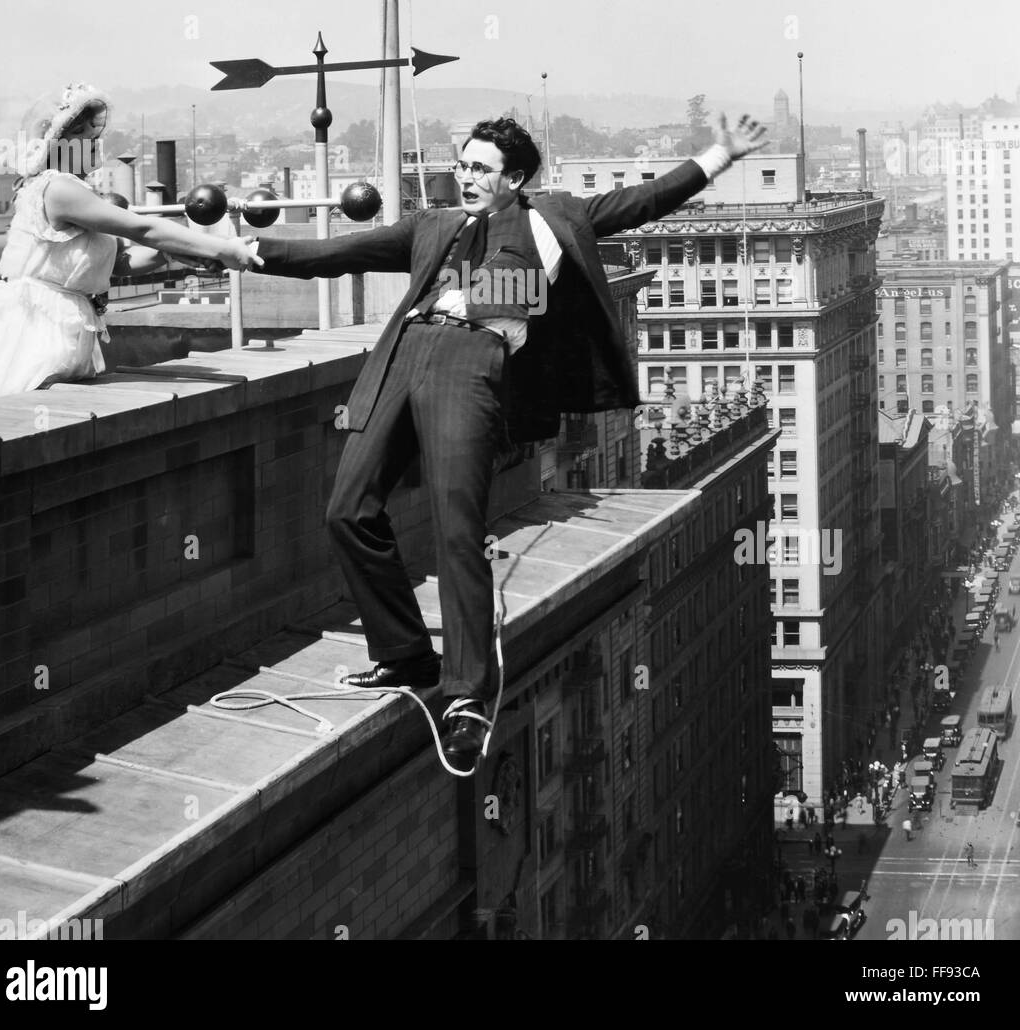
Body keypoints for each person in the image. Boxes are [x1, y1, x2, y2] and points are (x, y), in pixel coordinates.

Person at [250, 113, 767, 768]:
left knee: (456, 527)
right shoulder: (431, 227)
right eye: (462, 165)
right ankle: (406, 655)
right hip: (400, 359)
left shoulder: (553, 217)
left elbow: (642, 202)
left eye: (480, 168)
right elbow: (331, 257)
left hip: (473, 367)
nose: (465, 177)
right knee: (347, 512)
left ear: (514, 178)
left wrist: (718, 155)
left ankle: (465, 695)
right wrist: (240, 251)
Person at [0, 83, 261, 401]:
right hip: (35, 339)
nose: (97, 146)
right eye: (88, 137)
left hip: (62, 335)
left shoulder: (71, 190)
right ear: (59, 142)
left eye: (97, 138)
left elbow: (121, 262)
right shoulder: (57, 188)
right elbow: (142, 229)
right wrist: (224, 248)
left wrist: (176, 254)